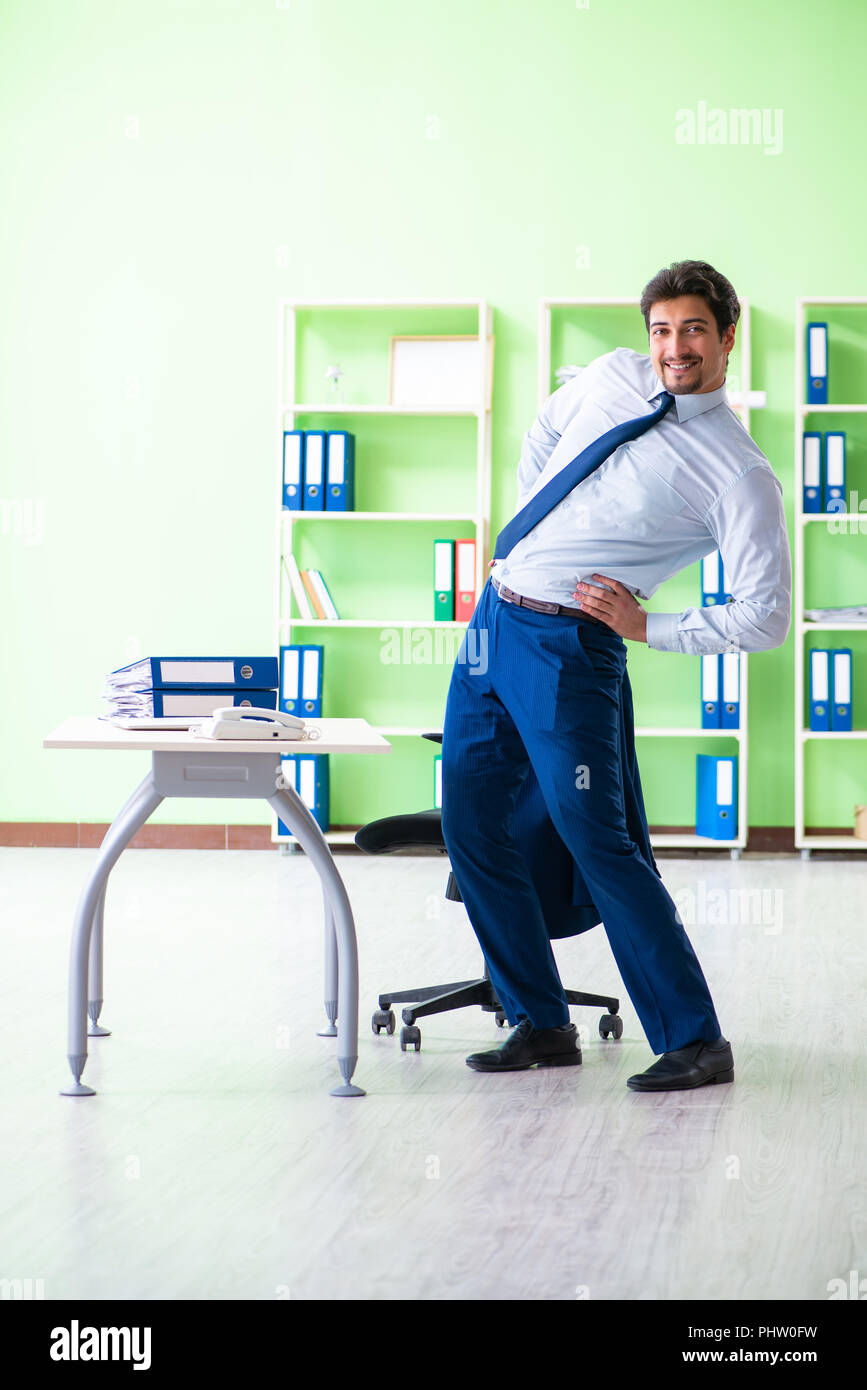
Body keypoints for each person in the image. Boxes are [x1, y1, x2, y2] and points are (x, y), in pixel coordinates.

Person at [440, 259, 791, 1091]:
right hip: (494, 621)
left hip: (569, 651)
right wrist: (540, 543)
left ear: (727, 338)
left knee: (599, 840)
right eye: (663, 330)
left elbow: (764, 613)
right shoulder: (608, 378)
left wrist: (648, 626)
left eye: (694, 330)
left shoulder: (736, 472)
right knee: (470, 820)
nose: (675, 348)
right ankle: (539, 1020)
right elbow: (539, 439)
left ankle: (695, 1040)